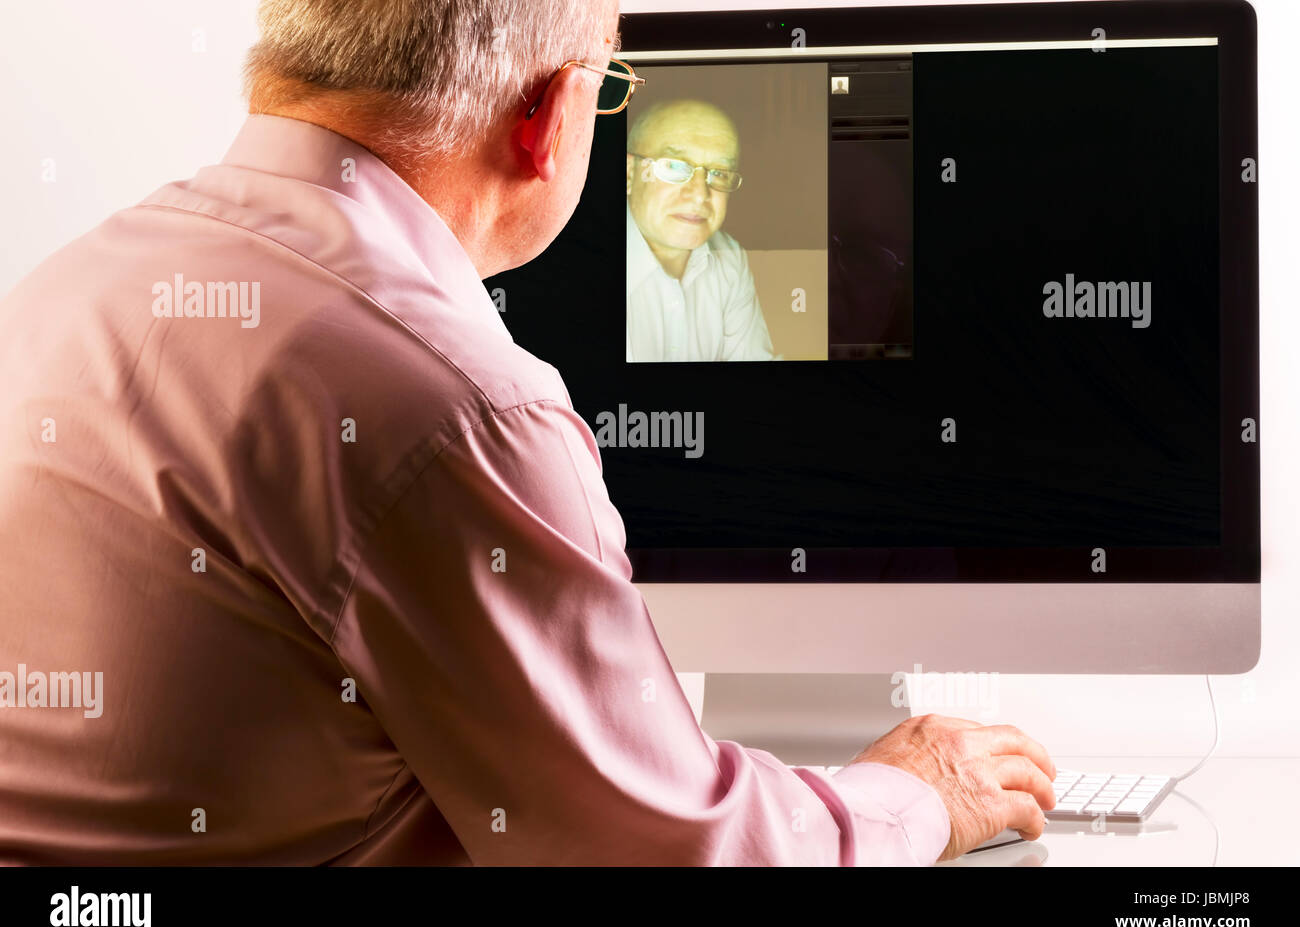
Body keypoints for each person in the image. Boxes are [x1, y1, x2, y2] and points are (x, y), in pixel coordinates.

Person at [0, 0, 1055, 865]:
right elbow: (666, 856)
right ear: (548, 116)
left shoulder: (55, 293)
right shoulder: (454, 401)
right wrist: (911, 792)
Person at [626, 99, 779, 362]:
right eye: (674, 166)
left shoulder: (728, 257)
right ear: (629, 174)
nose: (699, 195)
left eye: (719, 173)